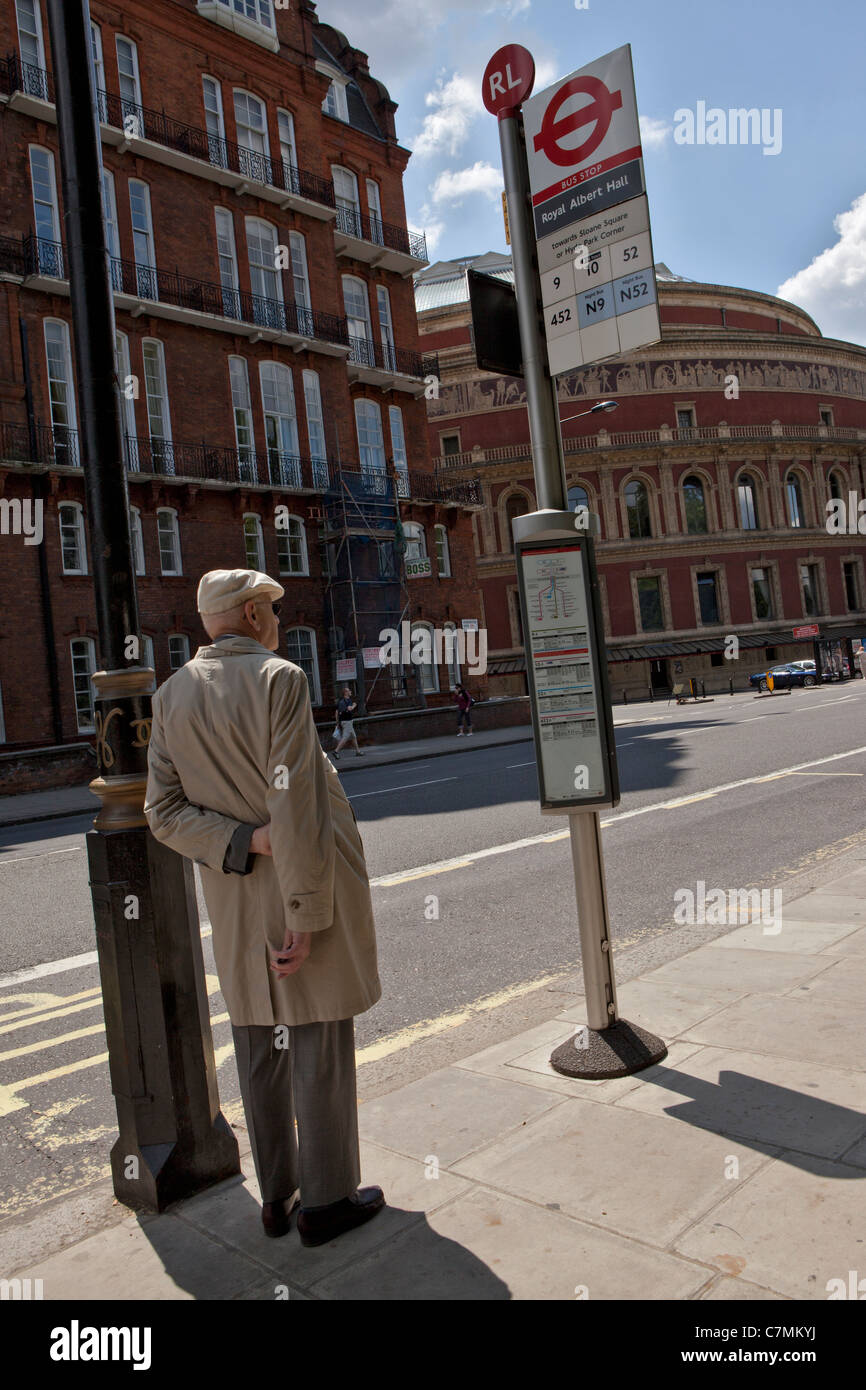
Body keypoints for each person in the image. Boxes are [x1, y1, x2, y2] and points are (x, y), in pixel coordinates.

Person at [144, 569, 384, 1246]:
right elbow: (294, 801)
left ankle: (276, 1199)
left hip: (235, 899)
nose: (277, 622)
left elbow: (161, 813)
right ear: (251, 613)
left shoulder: (170, 696)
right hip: (298, 890)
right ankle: (328, 1200)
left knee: (259, 1045)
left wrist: (239, 842)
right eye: (272, 611)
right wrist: (306, 917)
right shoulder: (280, 679)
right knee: (320, 1045)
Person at [333, 685, 363, 758]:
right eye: (349, 691)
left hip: (345, 722)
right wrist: (354, 705)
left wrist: (337, 723)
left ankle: (358, 751)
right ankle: (336, 751)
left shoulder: (340, 701)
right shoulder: (347, 700)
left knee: (353, 736)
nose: (350, 691)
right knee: (345, 737)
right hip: (347, 722)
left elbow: (336, 713)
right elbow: (349, 709)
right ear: (346, 693)